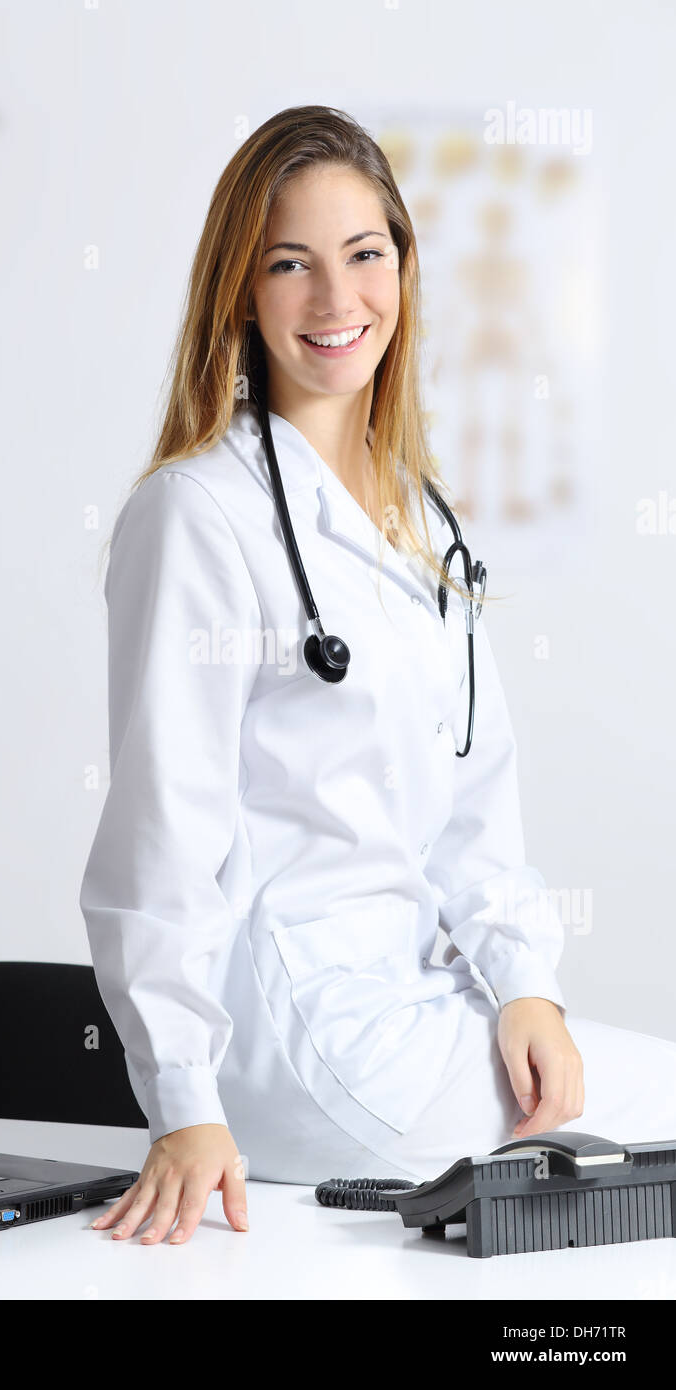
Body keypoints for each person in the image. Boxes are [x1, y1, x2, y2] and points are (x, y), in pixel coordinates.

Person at [80, 105, 676, 1246]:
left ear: (403, 265)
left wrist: (521, 985)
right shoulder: (196, 515)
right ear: (239, 292)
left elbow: (471, 800)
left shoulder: (418, 518)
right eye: (288, 264)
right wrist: (183, 1106)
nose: (333, 299)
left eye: (364, 255)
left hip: (422, 1007)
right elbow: (159, 837)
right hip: (302, 1042)